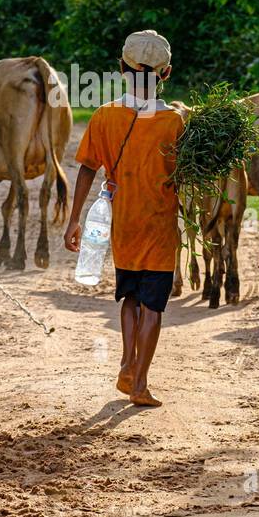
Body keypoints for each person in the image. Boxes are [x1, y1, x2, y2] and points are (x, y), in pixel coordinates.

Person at [65, 30, 183, 408]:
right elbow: (189, 177)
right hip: (160, 225)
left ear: (120, 68)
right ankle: (140, 383)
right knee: (155, 305)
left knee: (130, 297)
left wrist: (74, 220)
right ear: (165, 73)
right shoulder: (176, 123)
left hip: (123, 224)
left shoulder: (104, 116)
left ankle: (125, 361)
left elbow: (86, 169)